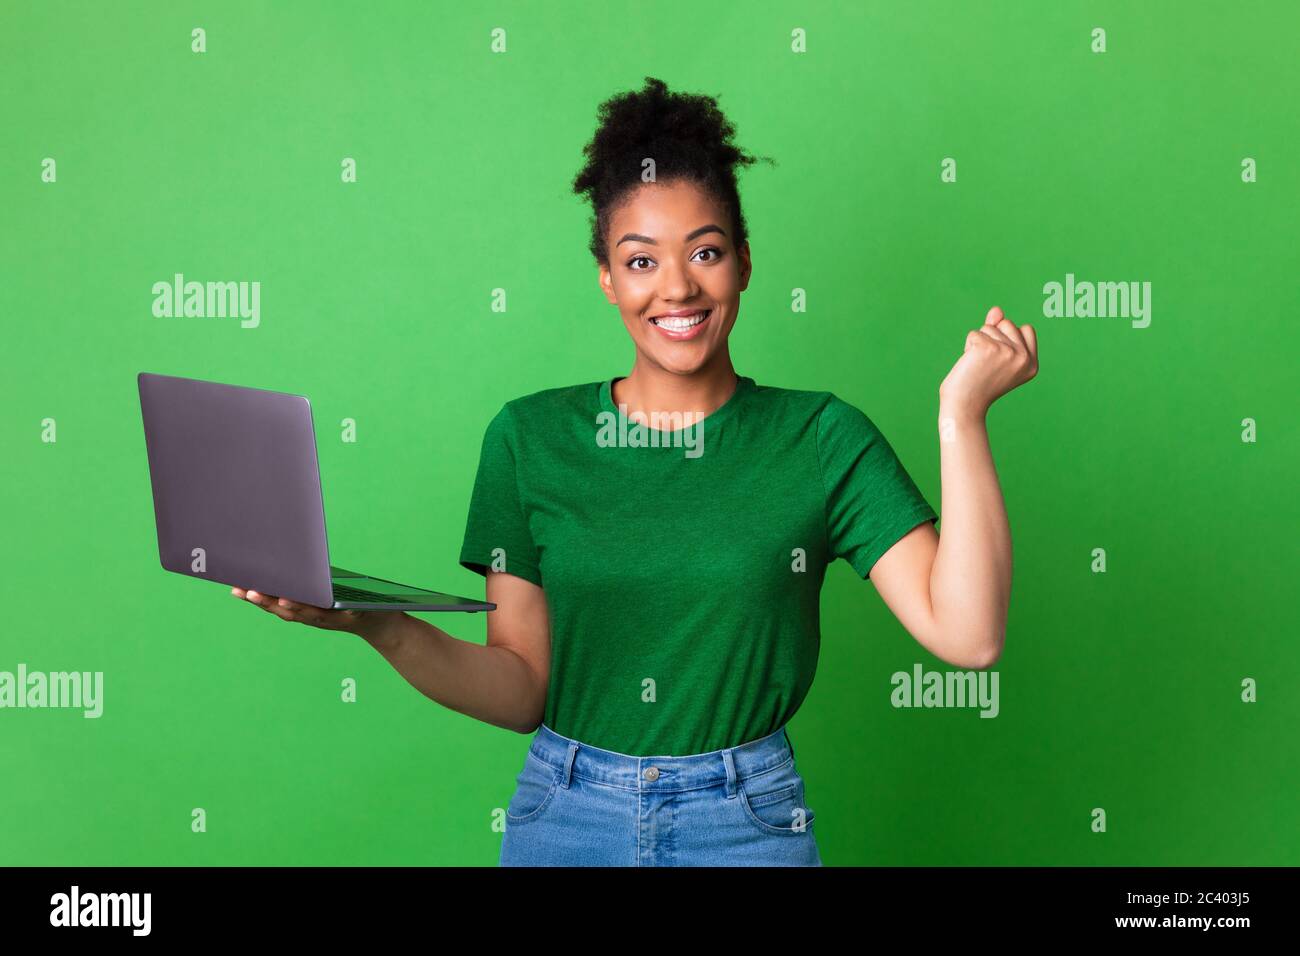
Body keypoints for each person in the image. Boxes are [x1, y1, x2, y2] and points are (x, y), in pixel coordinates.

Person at [232, 76, 1038, 866]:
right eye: (642, 261)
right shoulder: (529, 438)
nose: (678, 287)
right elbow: (522, 690)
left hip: (748, 822)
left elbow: (968, 635)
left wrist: (960, 418)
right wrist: (377, 620)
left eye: (706, 252)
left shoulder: (821, 438)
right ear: (608, 279)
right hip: (566, 816)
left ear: (744, 264)